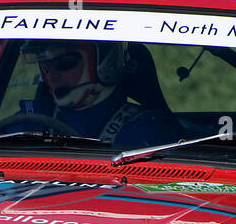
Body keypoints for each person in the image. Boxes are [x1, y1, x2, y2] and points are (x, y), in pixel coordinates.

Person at [13, 41, 179, 146]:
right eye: (44, 65)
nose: (51, 75)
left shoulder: (147, 131)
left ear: (105, 63)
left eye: (65, 62)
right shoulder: (30, 119)